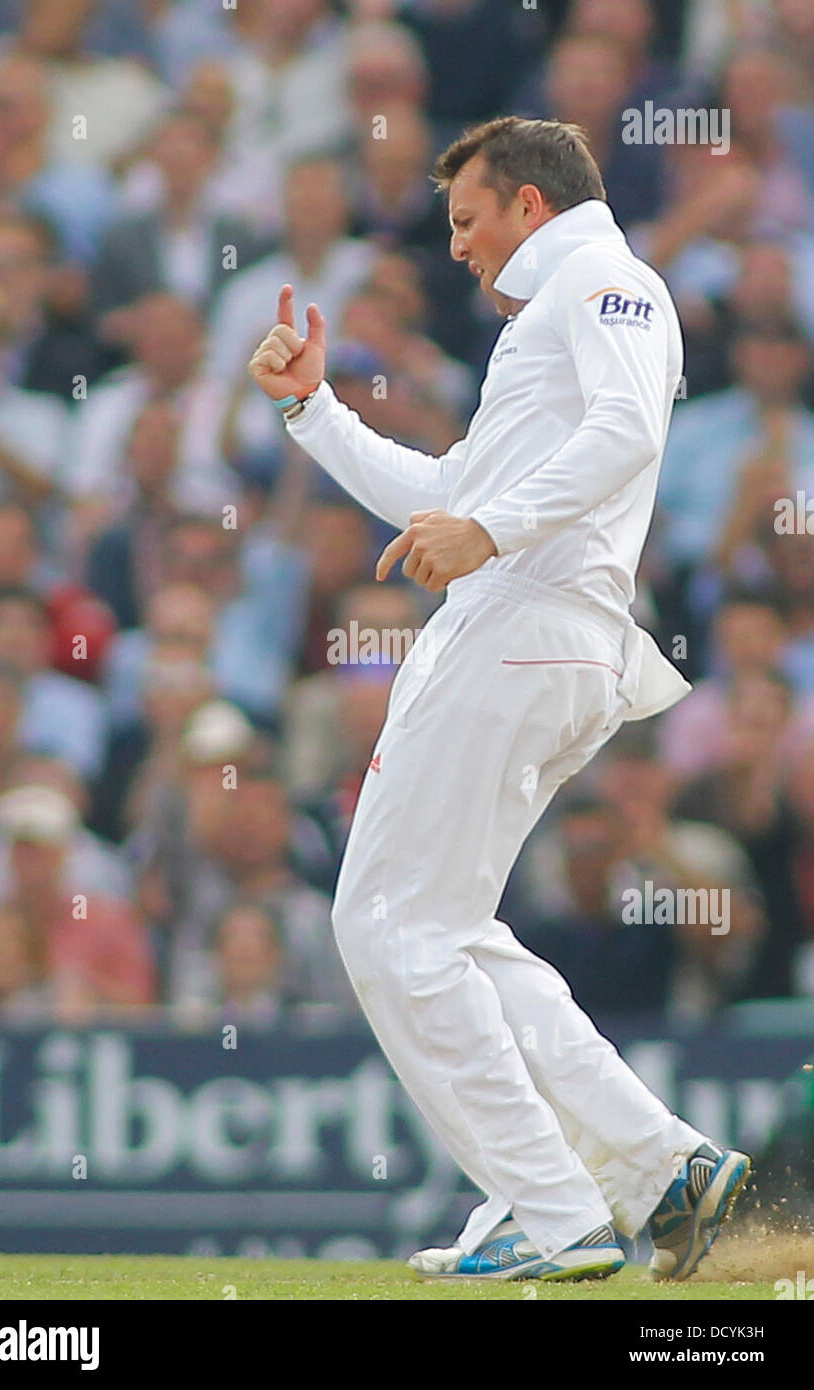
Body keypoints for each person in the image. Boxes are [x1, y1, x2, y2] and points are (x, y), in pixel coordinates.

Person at [248, 115, 751, 1284]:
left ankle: (552, 1210)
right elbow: (445, 492)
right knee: (451, 932)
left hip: (522, 633)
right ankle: (657, 1169)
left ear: (530, 204)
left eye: (468, 221)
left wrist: (488, 531)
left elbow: (623, 436)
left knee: (384, 928)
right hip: (541, 637)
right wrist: (314, 412)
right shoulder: (555, 316)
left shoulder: (602, 281)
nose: (459, 249)